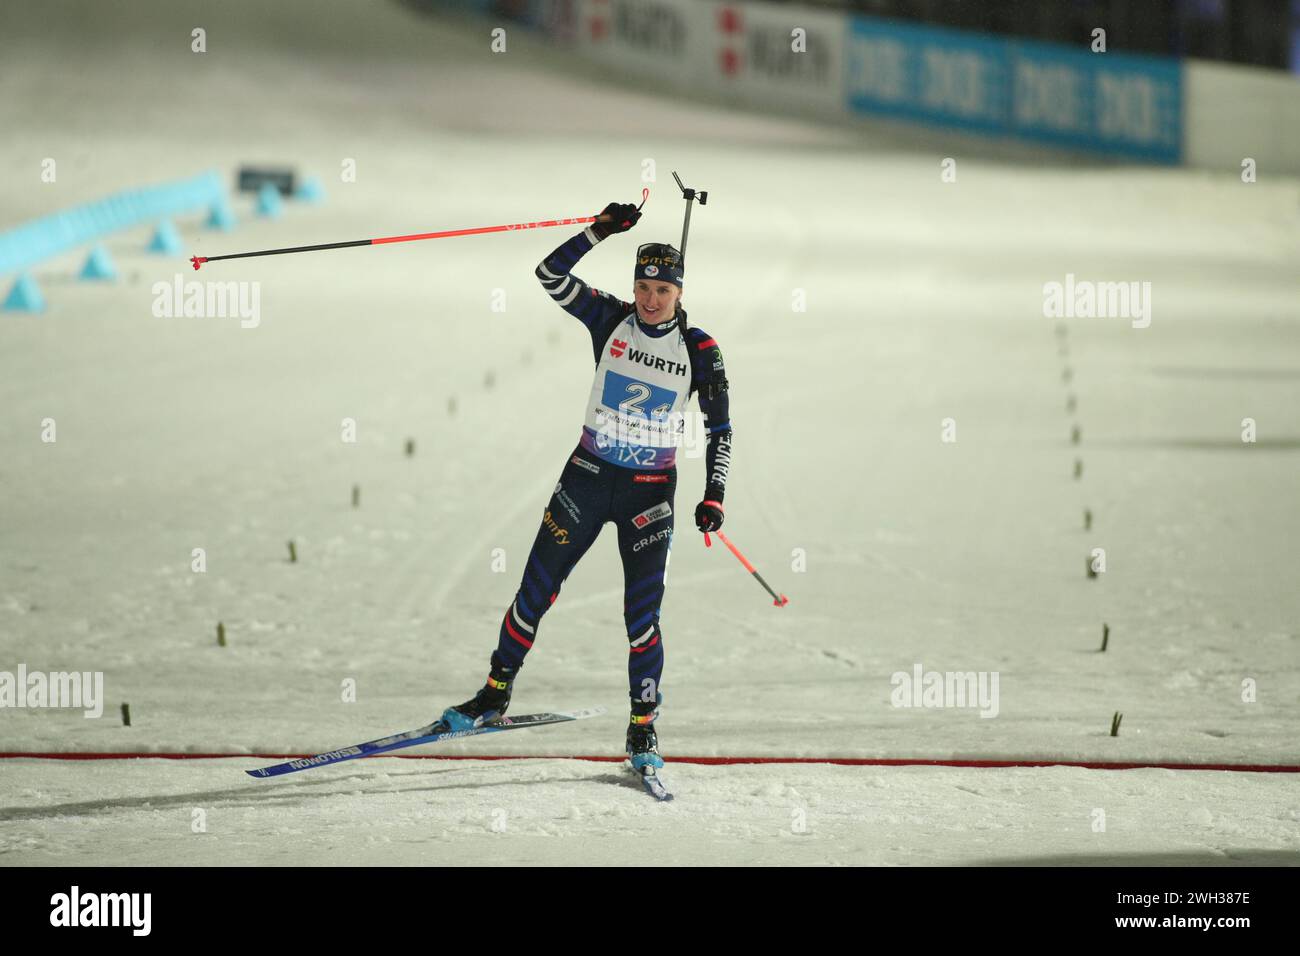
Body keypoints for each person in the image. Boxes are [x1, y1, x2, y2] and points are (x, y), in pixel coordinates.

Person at [439, 199, 733, 774]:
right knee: (534, 591)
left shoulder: (699, 349)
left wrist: (713, 495)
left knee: (642, 620)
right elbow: (549, 274)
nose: (650, 300)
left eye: (662, 291)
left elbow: (720, 429)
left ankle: (643, 728)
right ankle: (494, 693)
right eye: (643, 288)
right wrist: (597, 231)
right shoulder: (610, 318)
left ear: (679, 292)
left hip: (650, 496)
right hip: (587, 479)